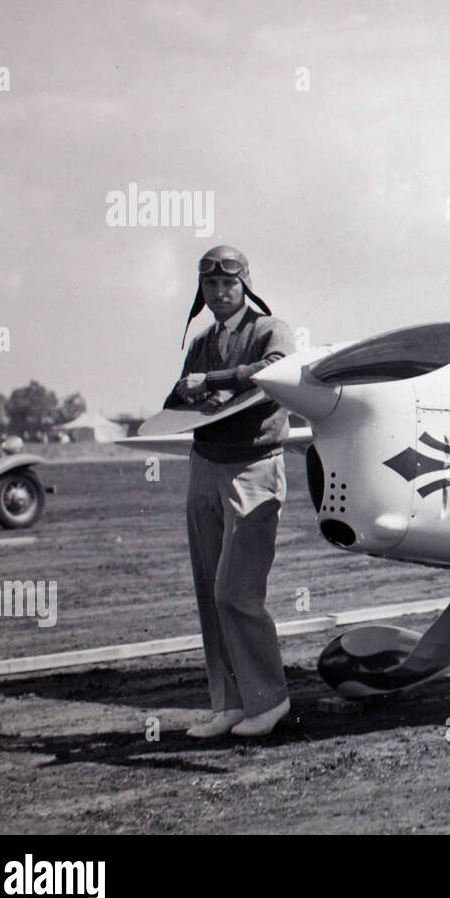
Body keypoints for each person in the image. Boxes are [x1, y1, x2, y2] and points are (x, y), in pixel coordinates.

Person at [166, 245, 296, 737]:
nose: (220, 293)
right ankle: (230, 703)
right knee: (208, 590)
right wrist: (190, 391)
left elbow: (276, 370)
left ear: (246, 284)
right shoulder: (201, 340)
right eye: (210, 285)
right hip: (205, 466)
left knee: (235, 591)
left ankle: (270, 701)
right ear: (201, 290)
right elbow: (182, 391)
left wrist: (215, 380)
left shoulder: (269, 329)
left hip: (253, 468)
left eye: (228, 284)